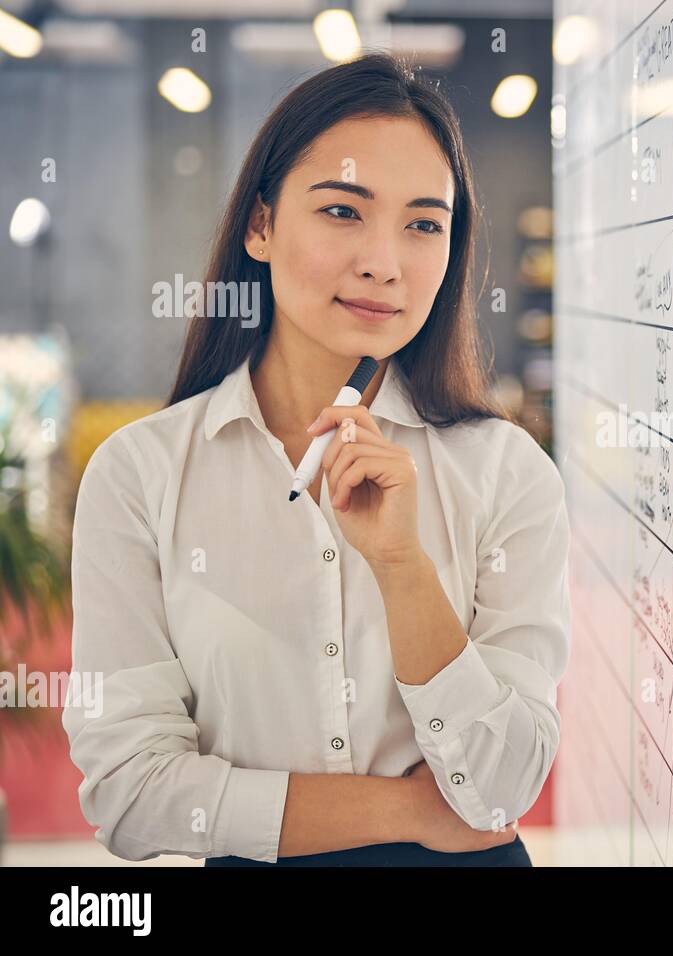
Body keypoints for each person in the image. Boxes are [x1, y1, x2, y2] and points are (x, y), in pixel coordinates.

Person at [61, 51, 571, 867]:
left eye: (424, 224)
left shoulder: (507, 473)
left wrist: (404, 568)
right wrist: (405, 810)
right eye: (343, 212)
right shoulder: (141, 474)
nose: (385, 262)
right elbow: (127, 791)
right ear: (260, 226)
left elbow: (504, 786)